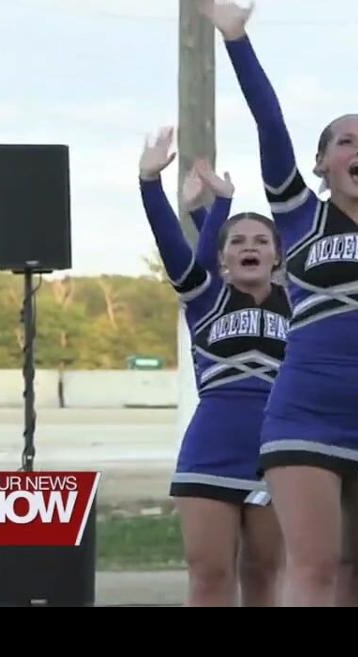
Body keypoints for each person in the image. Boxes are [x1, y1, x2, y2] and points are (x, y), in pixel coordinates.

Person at [202, 0, 358, 607]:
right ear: (323, 162)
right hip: (304, 409)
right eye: (346, 142)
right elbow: (269, 123)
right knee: (313, 569)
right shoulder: (300, 213)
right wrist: (235, 40)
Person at [138, 128, 287, 607]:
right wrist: (149, 182)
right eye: (237, 241)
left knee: (265, 575)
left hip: (278, 452)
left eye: (261, 240)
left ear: (277, 255)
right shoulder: (205, 298)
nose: (250, 247)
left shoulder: (302, 304)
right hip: (211, 451)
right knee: (209, 576)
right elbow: (173, 244)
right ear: (221, 257)